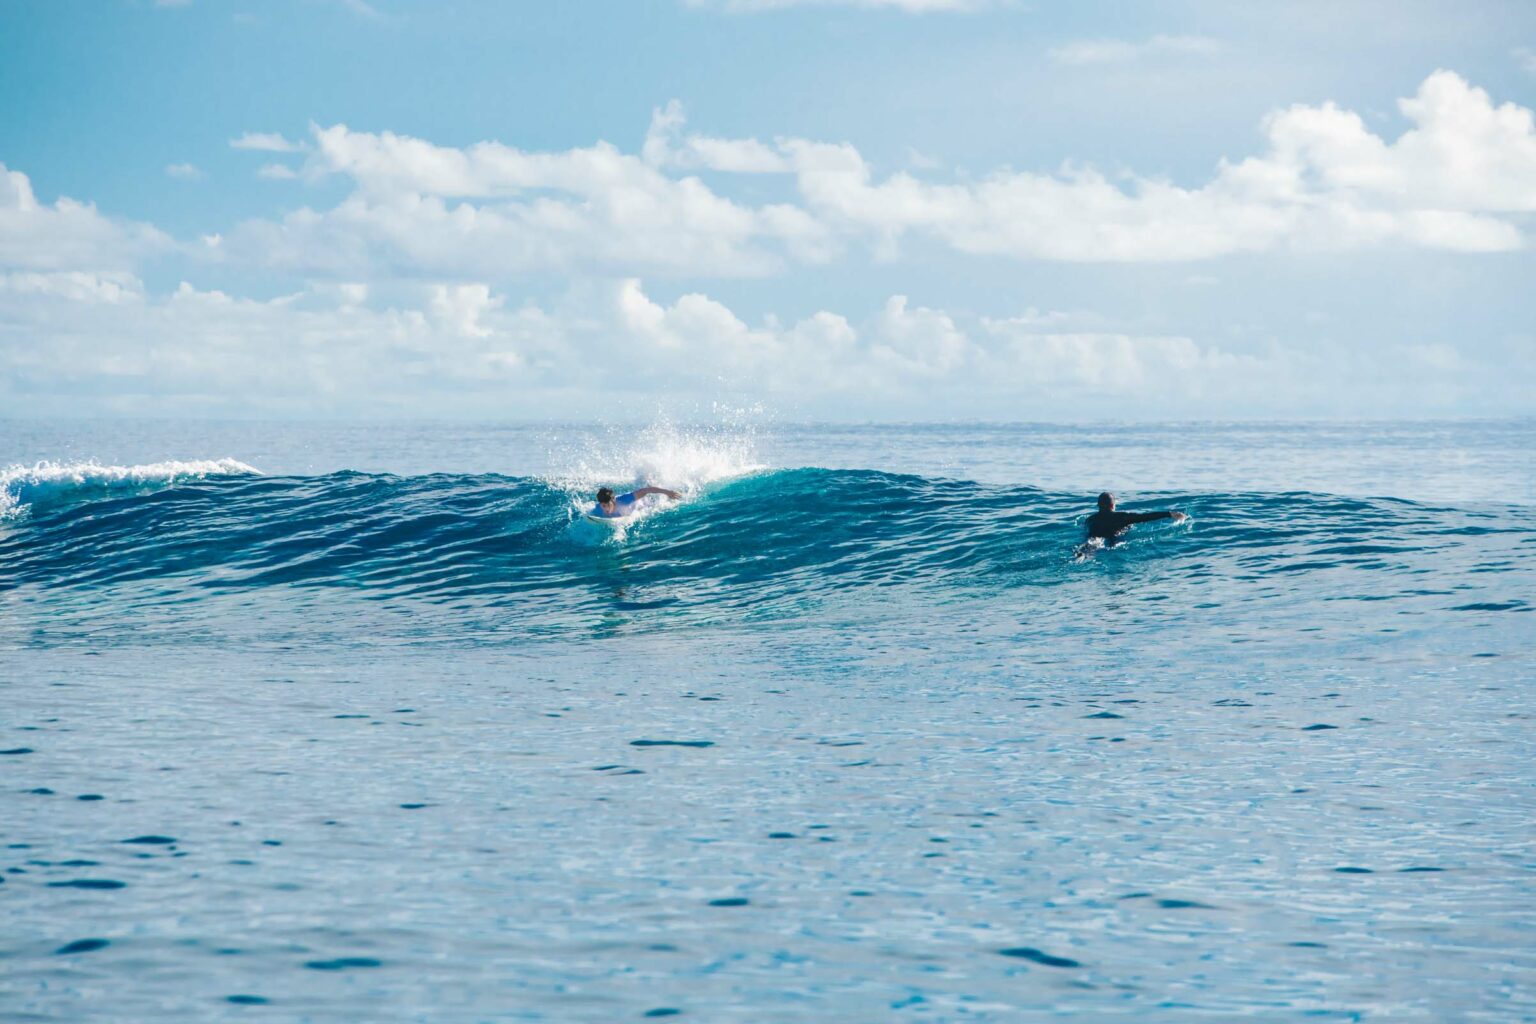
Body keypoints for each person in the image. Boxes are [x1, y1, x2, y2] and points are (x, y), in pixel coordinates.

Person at [1084, 491, 1187, 546]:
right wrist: (1169, 514)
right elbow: (1144, 517)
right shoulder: (1123, 517)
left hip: (1093, 540)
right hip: (1113, 541)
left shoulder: (1089, 520)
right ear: (1112, 506)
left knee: (1091, 546)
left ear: (1098, 505)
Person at [591, 485, 682, 519]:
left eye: (608, 505)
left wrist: (668, 492)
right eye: (603, 506)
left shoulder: (624, 500)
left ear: (613, 501)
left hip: (644, 504)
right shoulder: (598, 507)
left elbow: (645, 491)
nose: (606, 508)